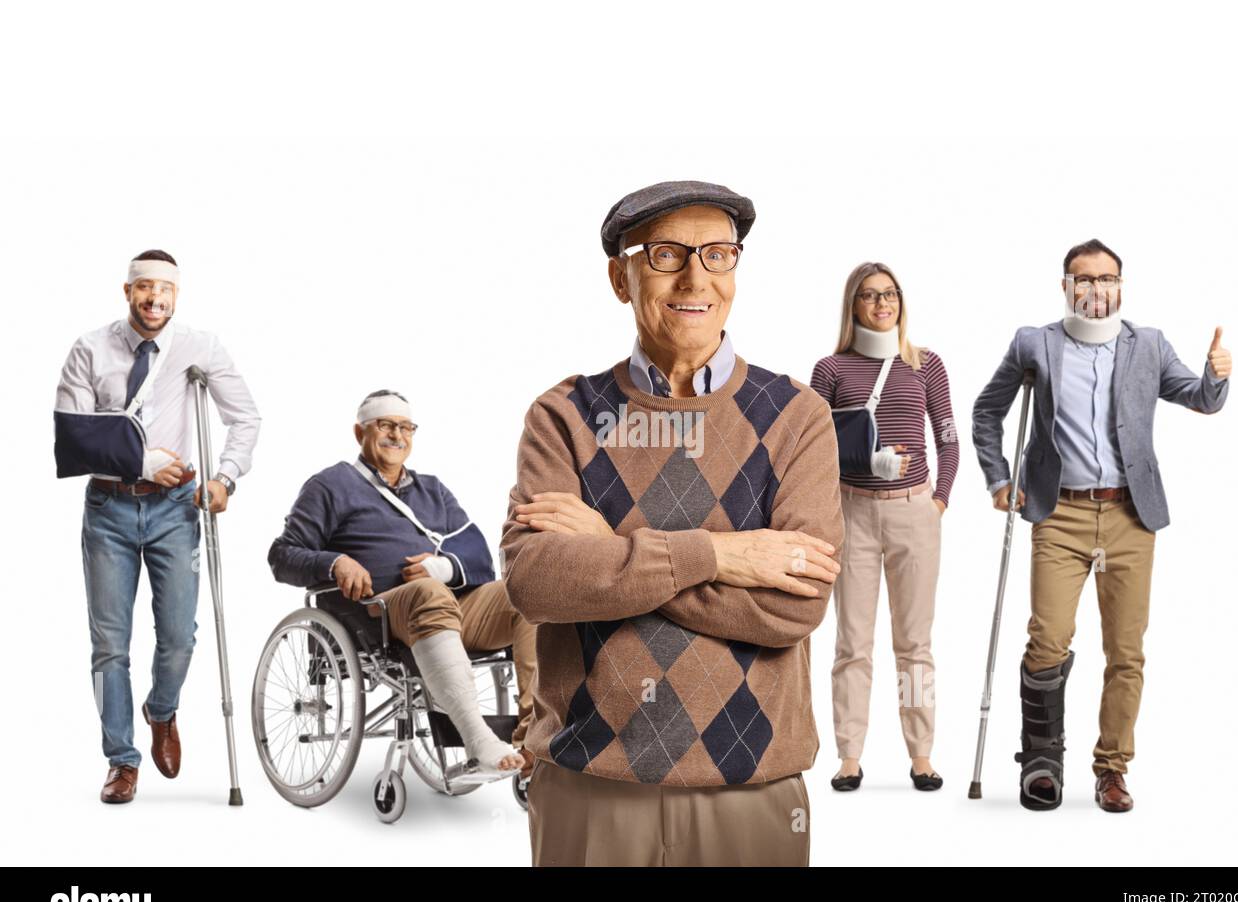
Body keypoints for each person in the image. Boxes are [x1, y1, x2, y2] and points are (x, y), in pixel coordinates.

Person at [500, 180, 843, 866]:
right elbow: (536, 583)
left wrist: (610, 551)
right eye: (665, 255)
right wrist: (722, 555)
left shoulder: (797, 417)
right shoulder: (564, 415)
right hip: (588, 786)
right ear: (619, 278)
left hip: (753, 791)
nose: (697, 278)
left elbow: (790, 606)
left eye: (719, 255)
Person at [971, 238, 1231, 812]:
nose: (1095, 289)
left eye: (1106, 279)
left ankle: (1111, 770)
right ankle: (1041, 761)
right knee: (1049, 639)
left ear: (1121, 285)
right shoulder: (1034, 343)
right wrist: (997, 479)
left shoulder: (1150, 346)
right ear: (1065, 286)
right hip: (1057, 512)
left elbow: (1201, 400)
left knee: (1125, 651)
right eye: (1083, 279)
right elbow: (988, 409)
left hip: (1129, 516)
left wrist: (1216, 376)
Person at [55, 249, 262, 804]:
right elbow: (74, 438)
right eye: (144, 288)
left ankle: (161, 710)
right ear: (127, 292)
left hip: (176, 509)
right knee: (110, 644)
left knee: (178, 636)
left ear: (177, 294)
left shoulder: (201, 346)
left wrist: (225, 478)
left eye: (164, 290)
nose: (154, 299)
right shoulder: (90, 349)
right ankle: (121, 760)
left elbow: (245, 417)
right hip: (109, 509)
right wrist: (141, 461)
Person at [267, 389, 533, 774]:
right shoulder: (329, 486)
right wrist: (334, 561)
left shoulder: (433, 490)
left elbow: (478, 553)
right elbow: (282, 556)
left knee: (525, 592)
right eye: (386, 425)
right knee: (427, 593)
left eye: (406, 427)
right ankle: (478, 739)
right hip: (378, 613)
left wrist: (442, 567)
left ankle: (534, 741)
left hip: (451, 604)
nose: (397, 435)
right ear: (360, 433)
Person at [811, 261, 959, 793]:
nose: (881, 304)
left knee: (914, 644)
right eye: (870, 296)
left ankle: (922, 754)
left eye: (890, 294)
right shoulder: (831, 370)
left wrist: (938, 501)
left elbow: (947, 438)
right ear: (854, 305)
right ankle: (849, 756)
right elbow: (814, 449)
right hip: (851, 513)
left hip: (914, 513)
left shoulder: (926, 365)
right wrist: (867, 464)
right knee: (852, 642)